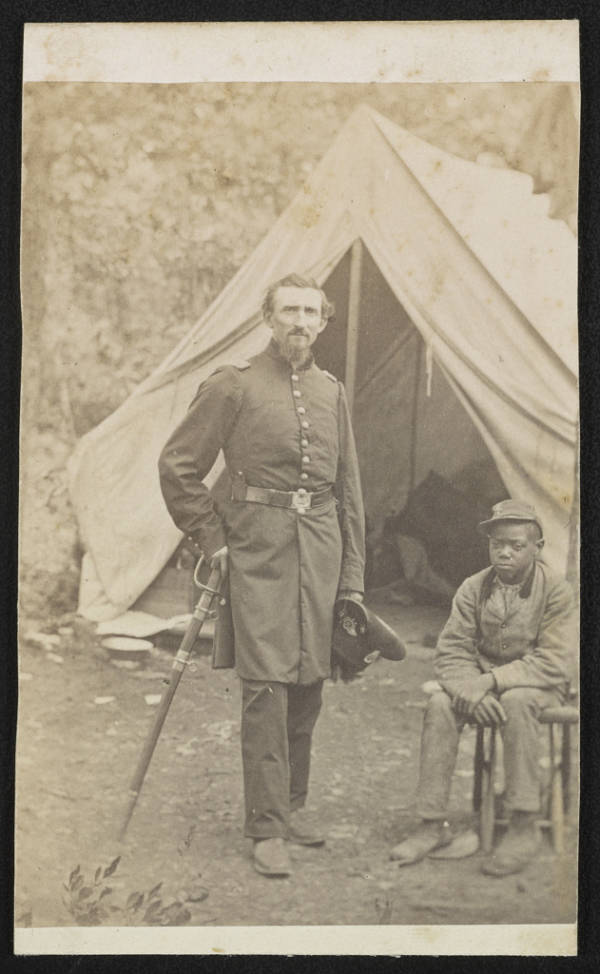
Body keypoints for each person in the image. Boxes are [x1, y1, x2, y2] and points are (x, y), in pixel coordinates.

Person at [158, 273, 365, 877]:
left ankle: (293, 808)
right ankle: (266, 826)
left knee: (308, 683)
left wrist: (351, 576)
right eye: (288, 311)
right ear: (268, 319)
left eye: (310, 312)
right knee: (267, 689)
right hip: (257, 554)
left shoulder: (332, 392)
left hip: (321, 551)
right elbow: (179, 468)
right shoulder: (233, 384)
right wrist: (215, 542)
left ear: (324, 321)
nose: (300, 321)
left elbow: (347, 490)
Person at [389, 500, 576, 877]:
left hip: (539, 686)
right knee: (441, 703)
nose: (505, 552)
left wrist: (489, 683)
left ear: (537, 548)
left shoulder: (557, 591)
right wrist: (467, 690)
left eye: (516, 545)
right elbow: (452, 651)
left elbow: (555, 660)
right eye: (497, 544)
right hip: (479, 687)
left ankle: (523, 823)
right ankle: (431, 825)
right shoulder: (473, 587)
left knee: (520, 700)